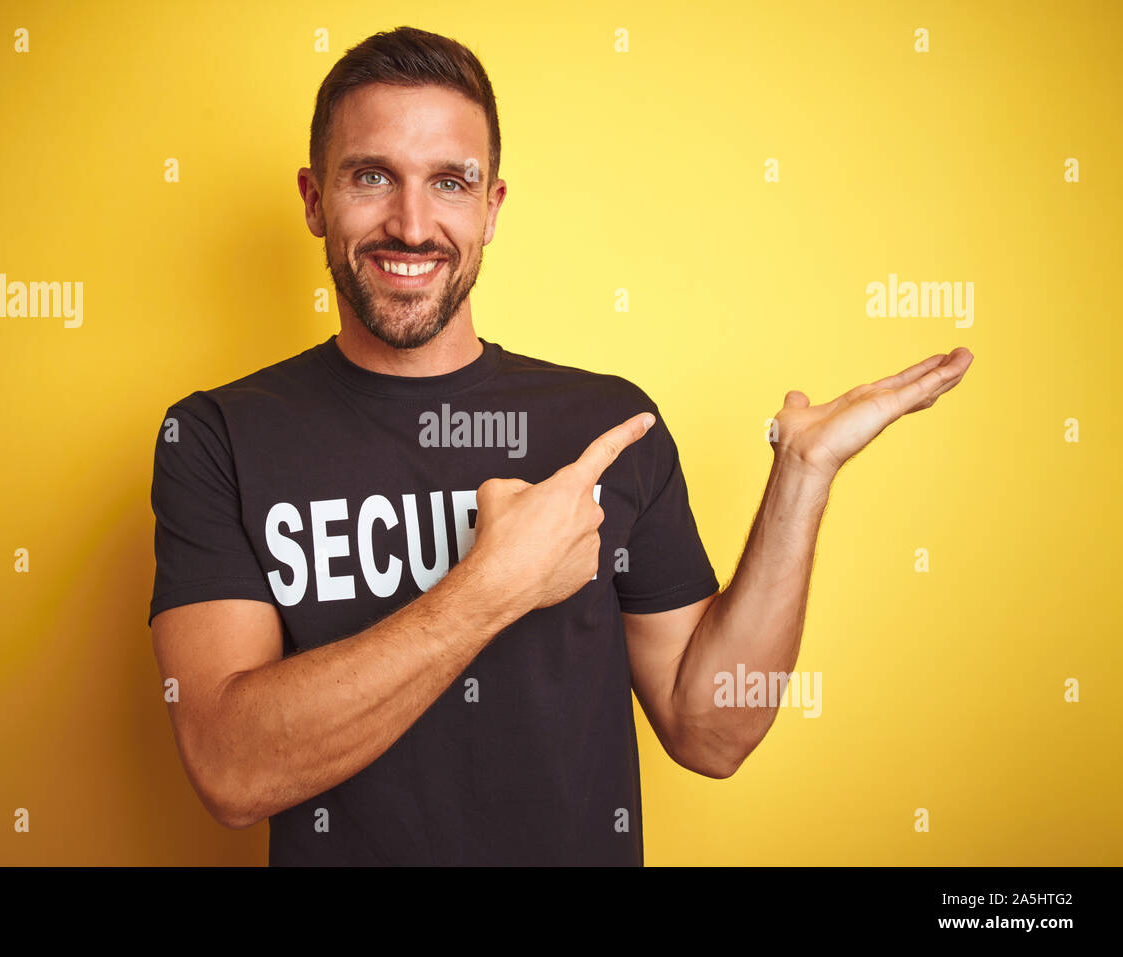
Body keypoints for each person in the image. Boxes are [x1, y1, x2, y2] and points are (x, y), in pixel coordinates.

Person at [147, 26, 973, 866]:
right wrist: (494, 585)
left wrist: (802, 477)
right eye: (371, 177)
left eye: (450, 182)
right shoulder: (216, 437)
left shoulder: (605, 426)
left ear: (492, 208)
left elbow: (712, 729)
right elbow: (230, 769)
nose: (412, 222)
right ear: (315, 198)